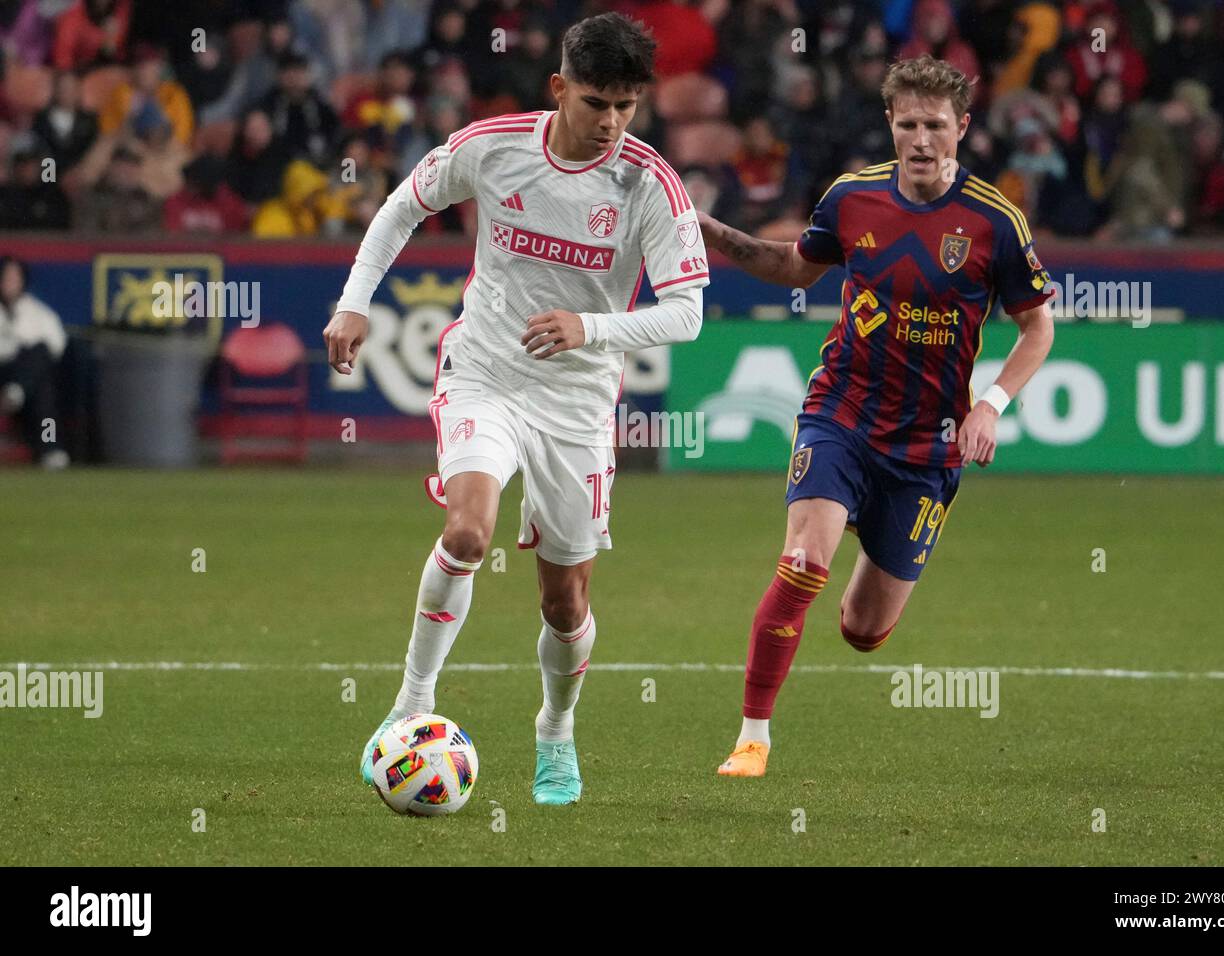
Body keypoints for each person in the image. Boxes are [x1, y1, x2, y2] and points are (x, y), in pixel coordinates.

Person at [323, 12, 709, 805]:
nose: (611, 123)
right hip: (487, 373)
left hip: (576, 403)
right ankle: (410, 705)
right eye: (597, 102)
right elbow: (402, 205)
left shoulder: (648, 183)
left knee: (564, 601)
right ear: (559, 87)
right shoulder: (493, 147)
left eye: (626, 108)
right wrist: (355, 301)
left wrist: (589, 328)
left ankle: (555, 731)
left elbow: (688, 312)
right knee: (466, 530)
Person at [698, 55, 1055, 777]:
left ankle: (871, 528)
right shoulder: (851, 199)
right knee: (803, 560)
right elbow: (793, 268)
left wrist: (991, 404)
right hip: (843, 411)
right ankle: (753, 737)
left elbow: (1038, 327)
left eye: (935, 125)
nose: (921, 139)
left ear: (962, 128)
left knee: (863, 631)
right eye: (908, 124)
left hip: (927, 446)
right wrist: (706, 228)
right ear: (891, 123)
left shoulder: (994, 221)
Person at [0, 256, 69, 469]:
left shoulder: (37, 312)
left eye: (15, 278)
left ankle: (50, 447)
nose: (11, 282)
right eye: (6, 277)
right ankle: (16, 390)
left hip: (26, 379)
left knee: (43, 385)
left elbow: (56, 343)